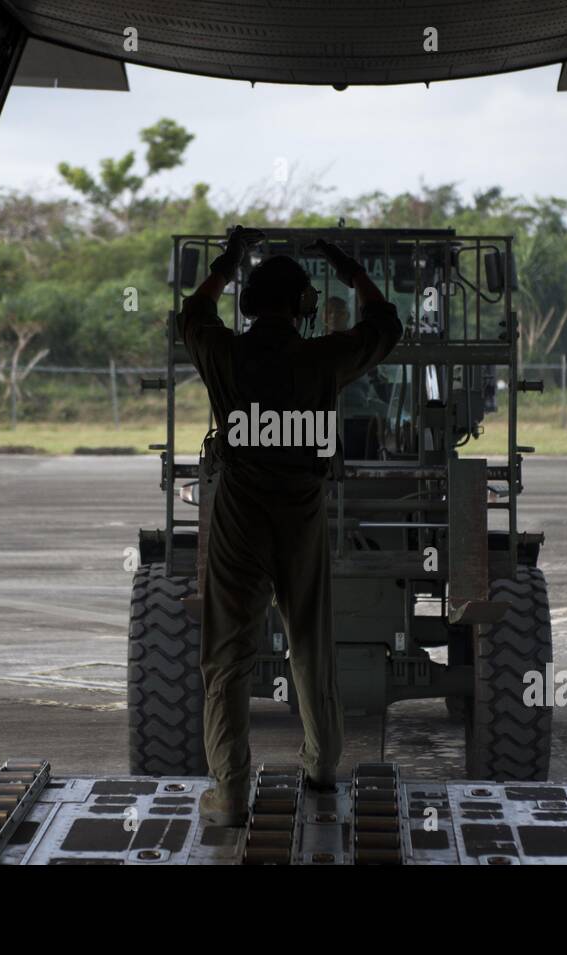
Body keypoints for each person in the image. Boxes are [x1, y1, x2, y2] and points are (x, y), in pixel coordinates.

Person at [178, 226, 402, 824]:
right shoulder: (321, 357)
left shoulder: (224, 354)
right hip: (301, 511)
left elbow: (192, 314)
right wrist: (352, 273)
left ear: (248, 304)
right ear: (305, 306)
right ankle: (323, 765)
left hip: (238, 510)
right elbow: (386, 328)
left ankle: (228, 792)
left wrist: (226, 264)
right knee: (310, 641)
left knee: (227, 654)